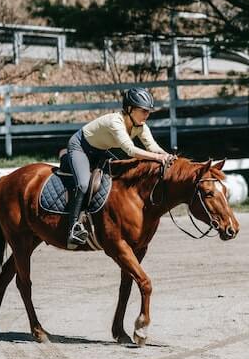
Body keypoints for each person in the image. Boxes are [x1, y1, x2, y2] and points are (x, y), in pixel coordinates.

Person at [65, 87, 172, 247]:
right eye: (143, 111)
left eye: (148, 111)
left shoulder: (140, 126)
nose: (147, 115)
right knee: (83, 184)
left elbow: (153, 147)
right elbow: (130, 150)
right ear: (129, 109)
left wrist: (168, 156)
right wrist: (158, 157)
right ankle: (73, 227)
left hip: (99, 151)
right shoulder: (115, 121)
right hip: (80, 146)